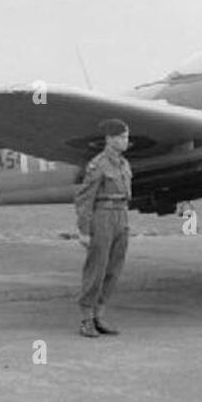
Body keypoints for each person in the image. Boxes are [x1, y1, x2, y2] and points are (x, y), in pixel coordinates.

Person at [74, 119, 133, 338]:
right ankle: (86, 319)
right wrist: (84, 231)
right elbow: (84, 199)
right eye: (122, 137)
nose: (126, 141)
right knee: (96, 270)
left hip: (121, 216)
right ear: (110, 139)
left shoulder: (124, 164)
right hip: (103, 217)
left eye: (126, 137)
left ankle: (99, 315)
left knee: (113, 270)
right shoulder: (98, 165)